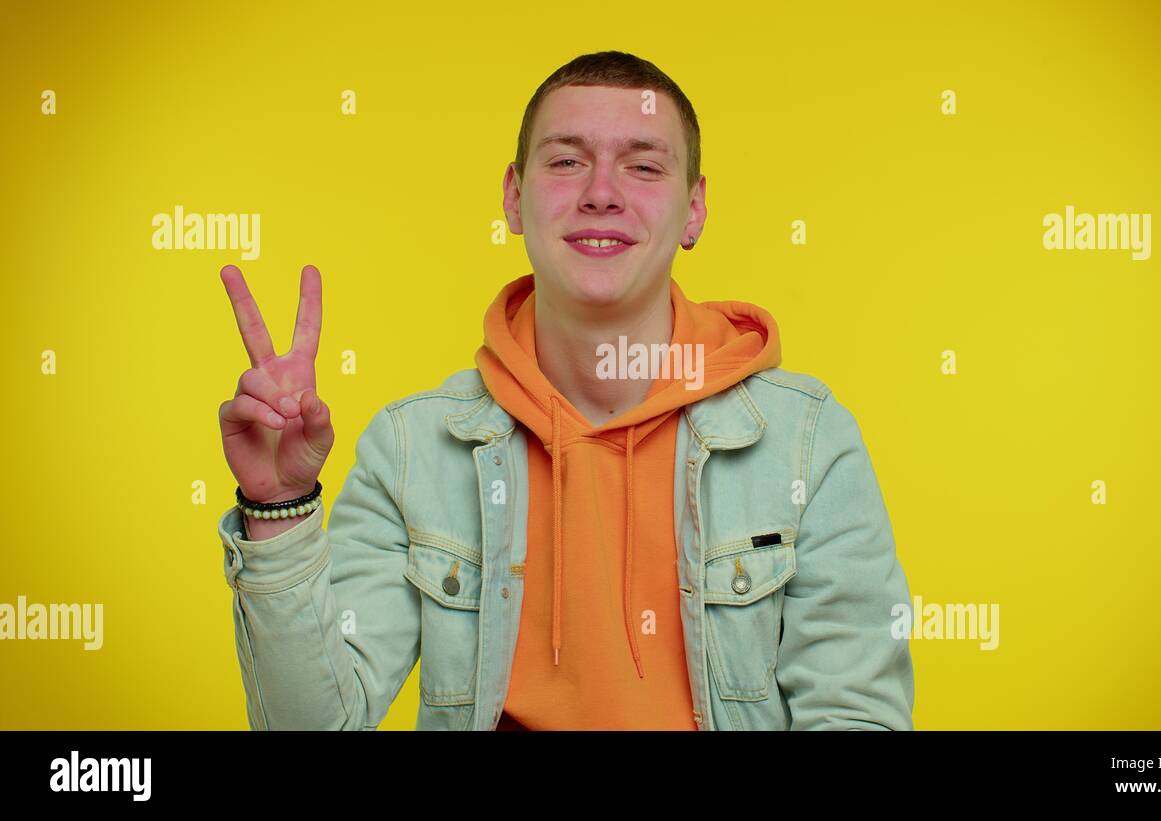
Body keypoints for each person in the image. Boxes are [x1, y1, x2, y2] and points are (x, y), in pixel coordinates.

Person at [215, 50, 914, 731]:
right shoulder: (411, 451)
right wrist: (281, 510)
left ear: (694, 209)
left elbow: (856, 713)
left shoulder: (805, 443)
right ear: (513, 198)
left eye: (642, 165)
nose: (600, 191)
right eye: (566, 161)